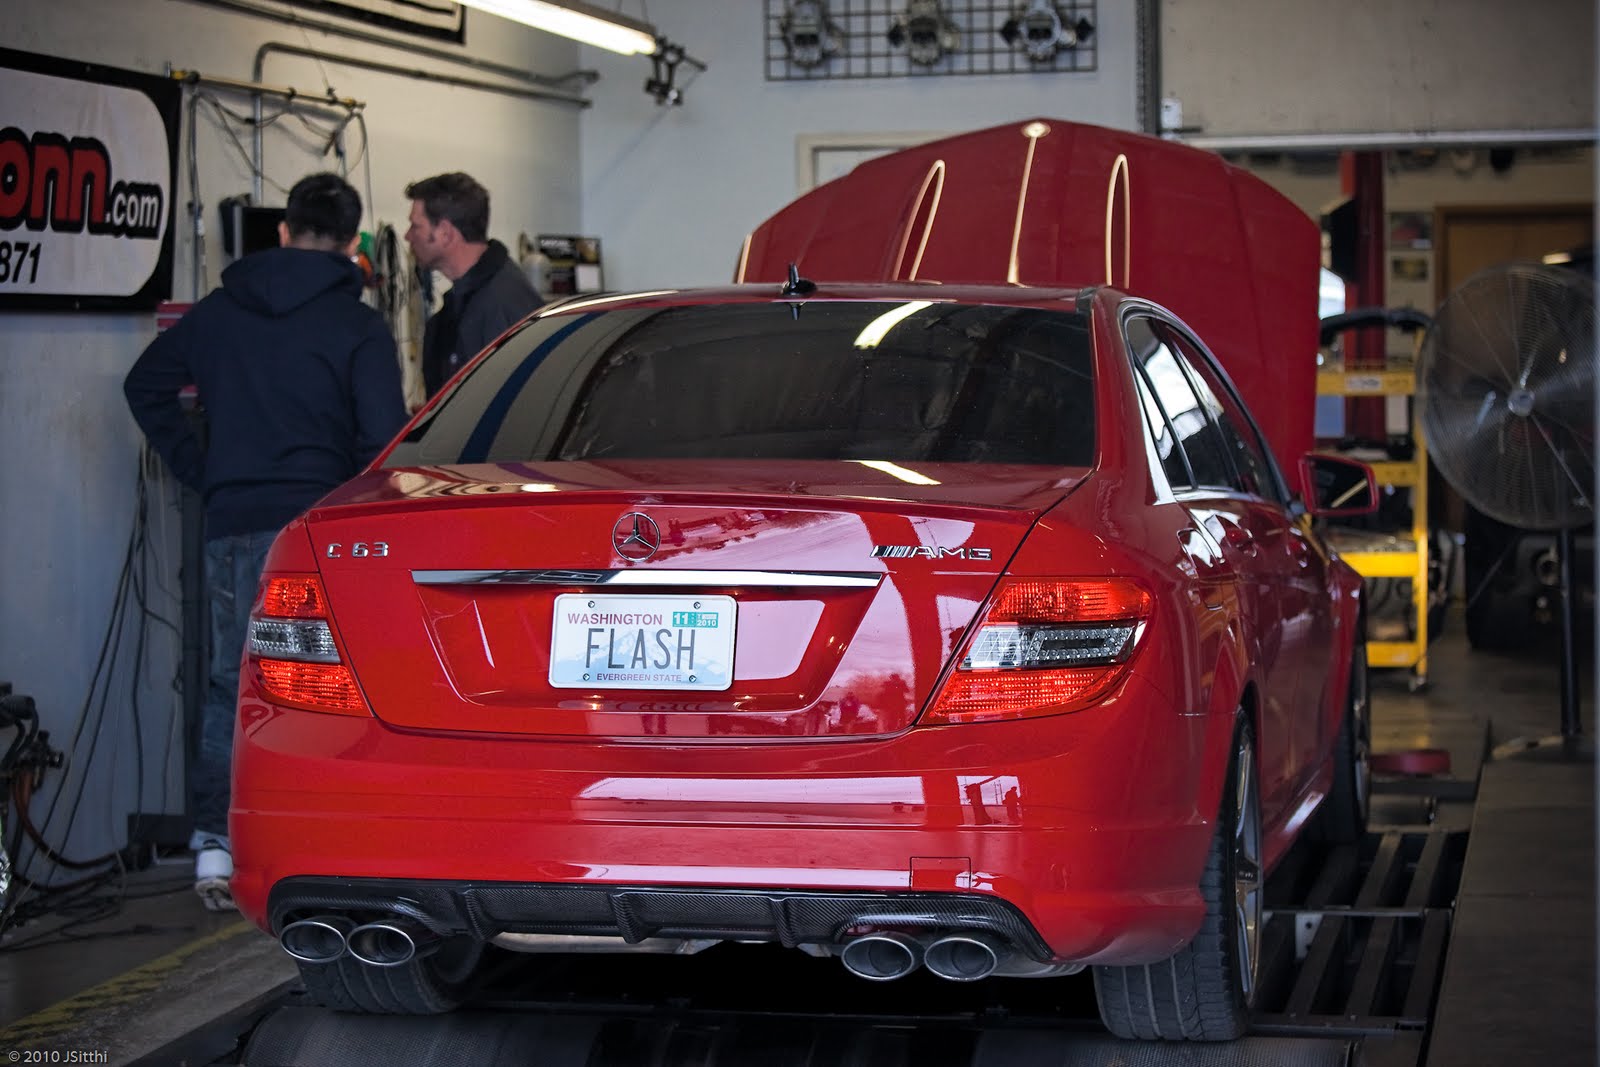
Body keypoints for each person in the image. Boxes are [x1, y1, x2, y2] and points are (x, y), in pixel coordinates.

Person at [123, 172, 407, 910]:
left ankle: (215, 851)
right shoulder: (358, 327)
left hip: (232, 524)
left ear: (283, 230)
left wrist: (205, 472)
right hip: (320, 535)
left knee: (229, 684)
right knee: (331, 692)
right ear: (353, 245)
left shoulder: (219, 311)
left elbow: (144, 384)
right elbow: (384, 443)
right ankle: (320, 841)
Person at [403, 172, 543, 397]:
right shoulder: (462, 303)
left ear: (446, 234)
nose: (407, 236)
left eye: (415, 226)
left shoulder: (503, 306)